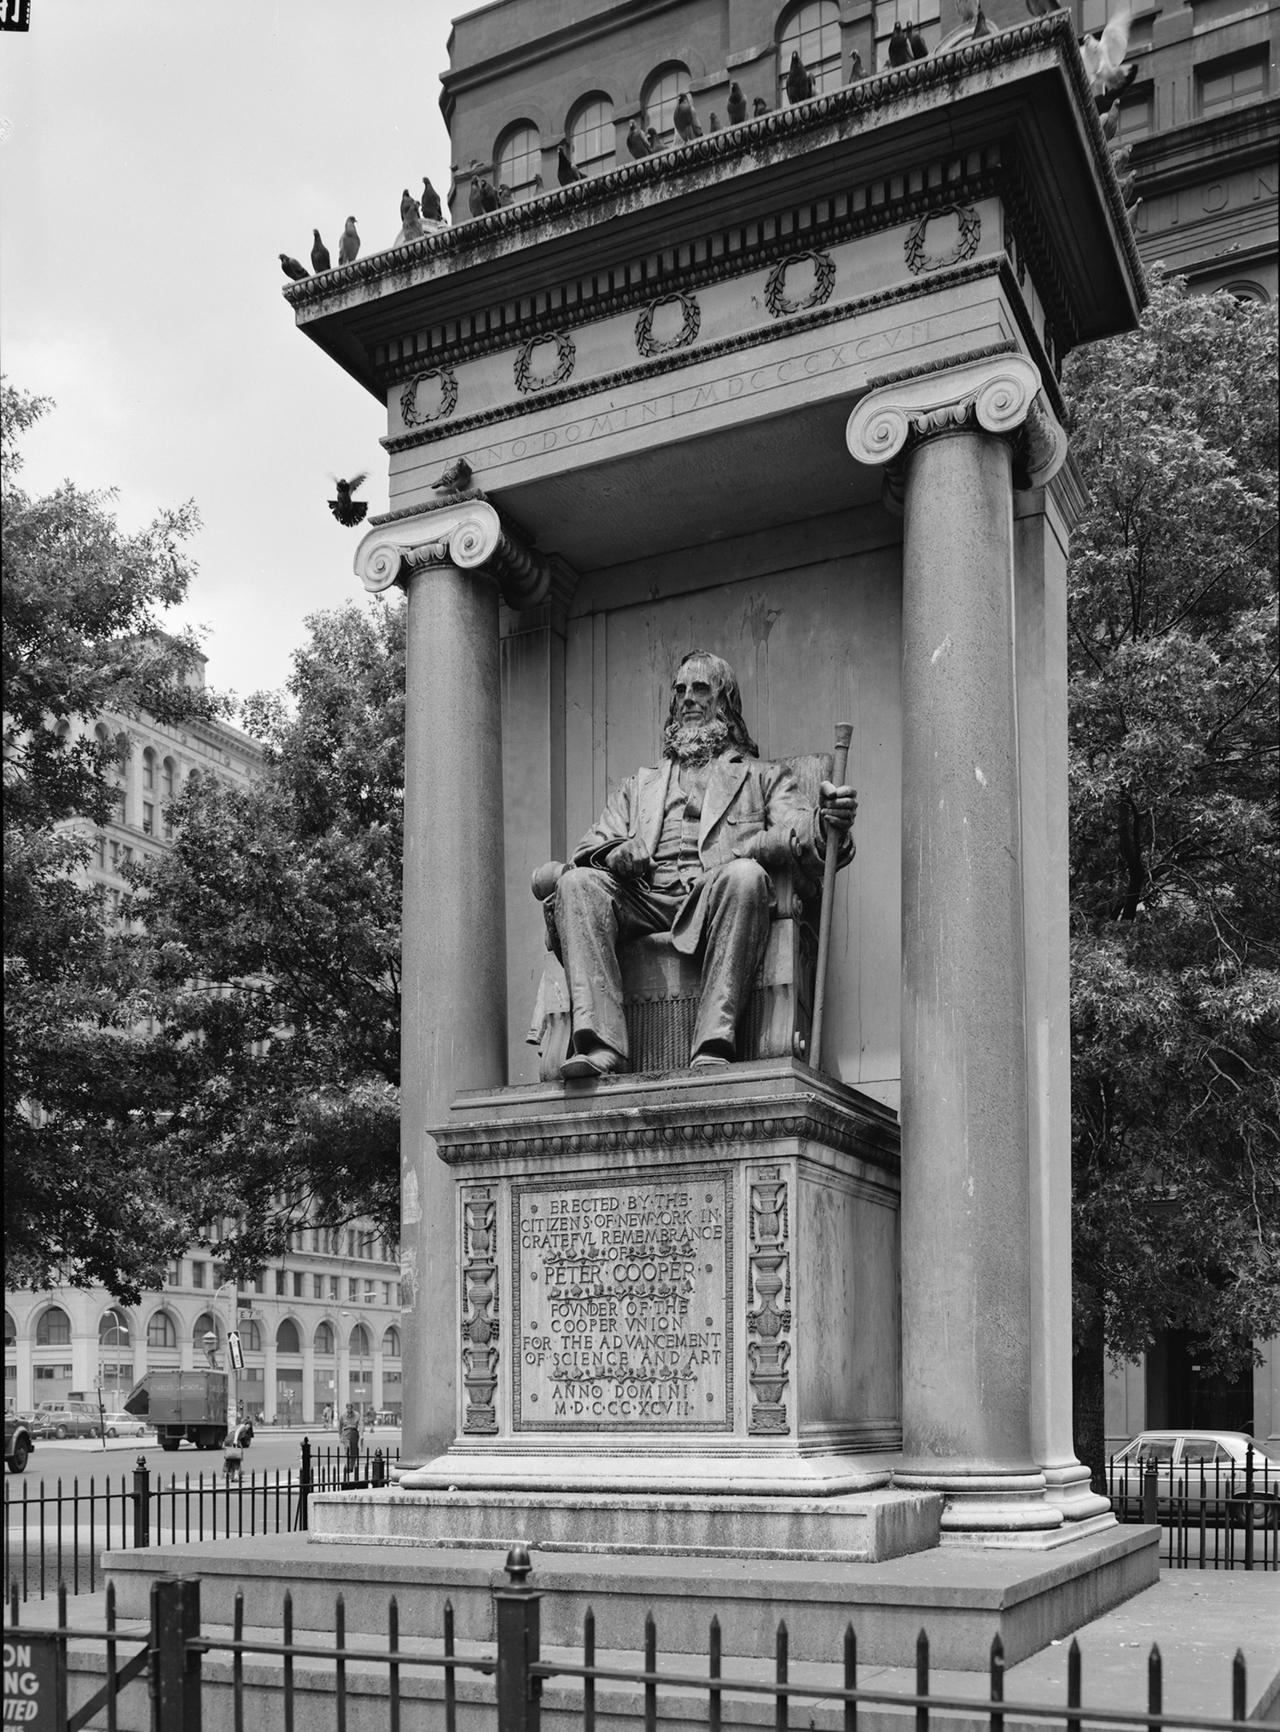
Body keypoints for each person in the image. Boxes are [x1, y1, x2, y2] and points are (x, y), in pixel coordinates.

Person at [551, 650, 856, 1078]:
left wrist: (827, 822)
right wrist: (616, 853)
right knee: (577, 884)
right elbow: (590, 846)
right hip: (644, 898)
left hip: (712, 894)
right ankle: (602, 1047)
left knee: (747, 876)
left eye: (700, 689)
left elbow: (799, 828)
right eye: (680, 691)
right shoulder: (639, 785)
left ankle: (713, 1045)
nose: (688, 699)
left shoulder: (759, 776)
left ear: (724, 703)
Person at [339, 1403, 361, 1472]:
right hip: (346, 1433)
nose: (349, 1410)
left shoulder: (357, 1415)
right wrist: (340, 1436)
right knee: (348, 1449)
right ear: (346, 1408)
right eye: (348, 1408)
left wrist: (362, 1435)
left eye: (351, 1408)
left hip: (354, 1432)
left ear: (352, 1408)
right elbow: (340, 1426)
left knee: (353, 1451)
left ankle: (351, 1467)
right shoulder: (342, 1415)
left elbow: (361, 1425)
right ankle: (348, 1466)